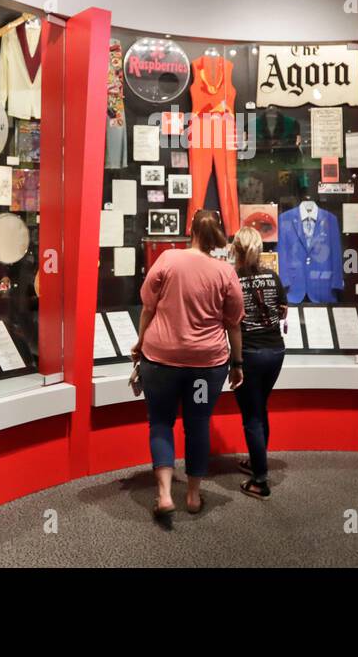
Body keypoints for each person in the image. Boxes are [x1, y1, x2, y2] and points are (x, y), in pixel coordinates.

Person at [131, 210, 244, 520]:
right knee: (197, 425)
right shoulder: (224, 271)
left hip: (161, 361)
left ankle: (165, 494)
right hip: (205, 368)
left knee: (161, 423)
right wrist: (237, 363)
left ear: (189, 230)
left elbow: (147, 309)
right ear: (217, 233)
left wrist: (140, 346)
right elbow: (233, 323)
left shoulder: (168, 260)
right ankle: (193, 495)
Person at [230, 226, 287, 499]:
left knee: (251, 416)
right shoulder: (272, 276)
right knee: (260, 408)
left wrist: (236, 363)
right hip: (276, 351)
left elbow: (231, 322)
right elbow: (283, 309)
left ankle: (260, 481)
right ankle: (256, 461)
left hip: (250, 354)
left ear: (236, 250)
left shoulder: (233, 279)